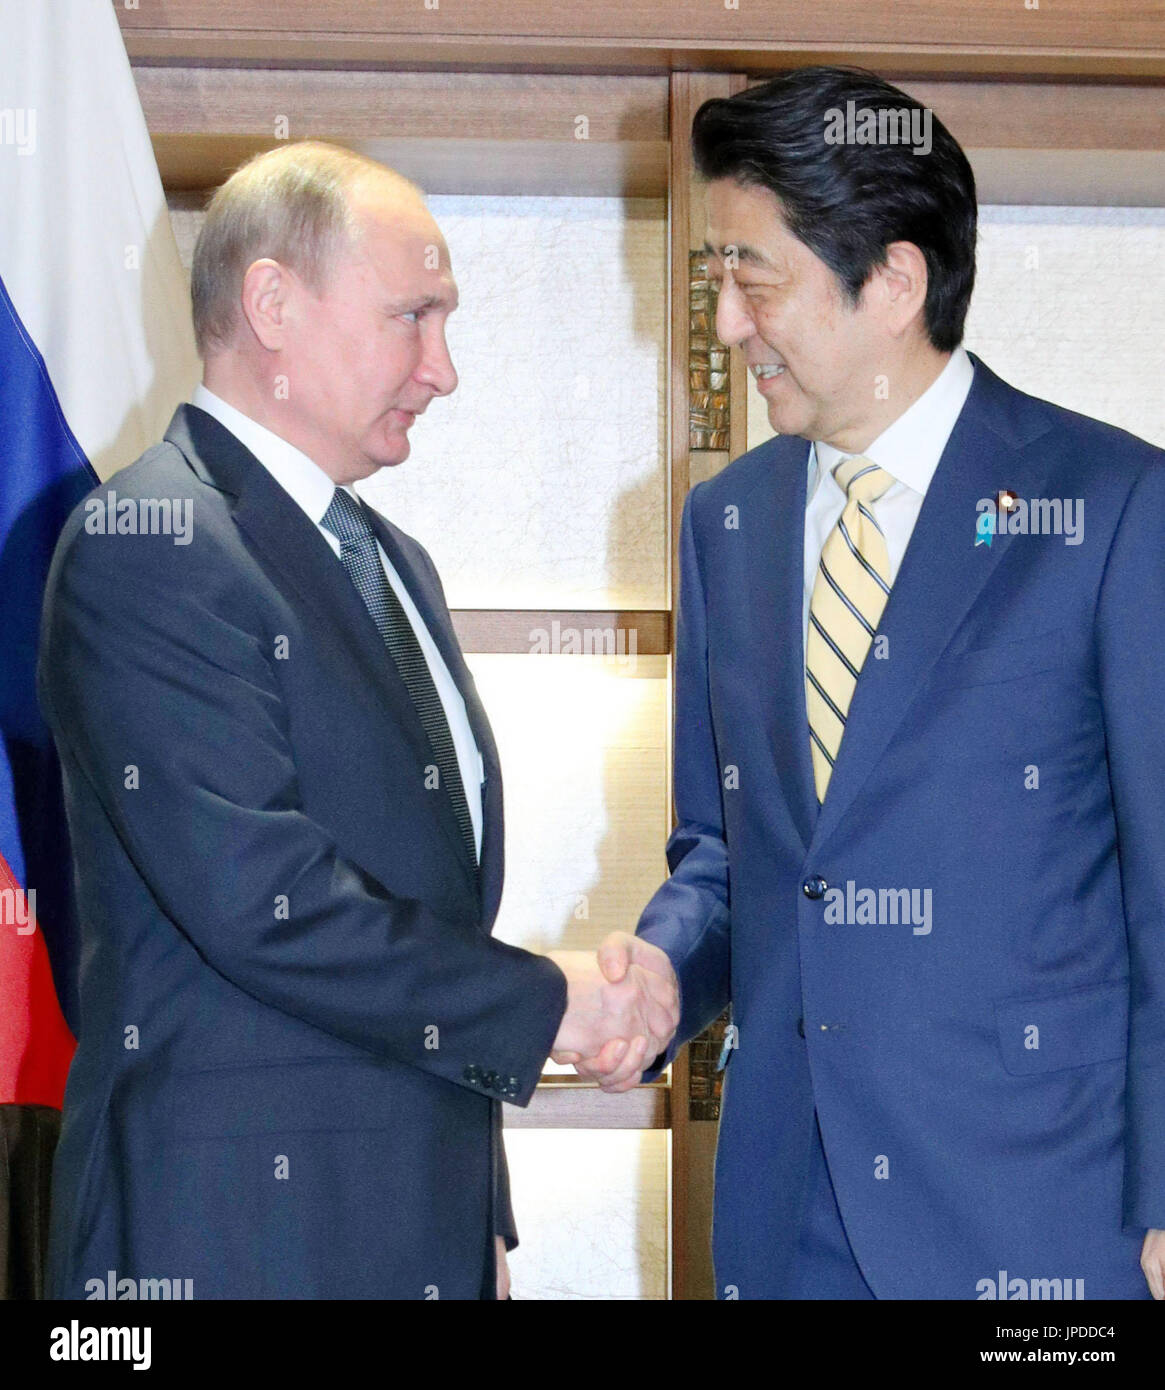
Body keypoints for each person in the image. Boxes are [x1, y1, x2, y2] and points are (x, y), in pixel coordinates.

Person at [38, 141, 678, 1300]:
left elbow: (419, 899)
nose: (444, 370)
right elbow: (262, 900)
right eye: (413, 317)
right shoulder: (156, 545)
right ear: (272, 302)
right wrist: (558, 1003)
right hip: (231, 1245)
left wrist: (470, 1213)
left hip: (410, 1234)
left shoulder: (395, 566)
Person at [584, 67, 1165, 1299]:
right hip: (786, 1220)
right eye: (717, 280)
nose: (728, 323)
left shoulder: (1112, 508)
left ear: (893, 281)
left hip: (1041, 1223)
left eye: (754, 276)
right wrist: (663, 973)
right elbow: (726, 855)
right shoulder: (724, 524)